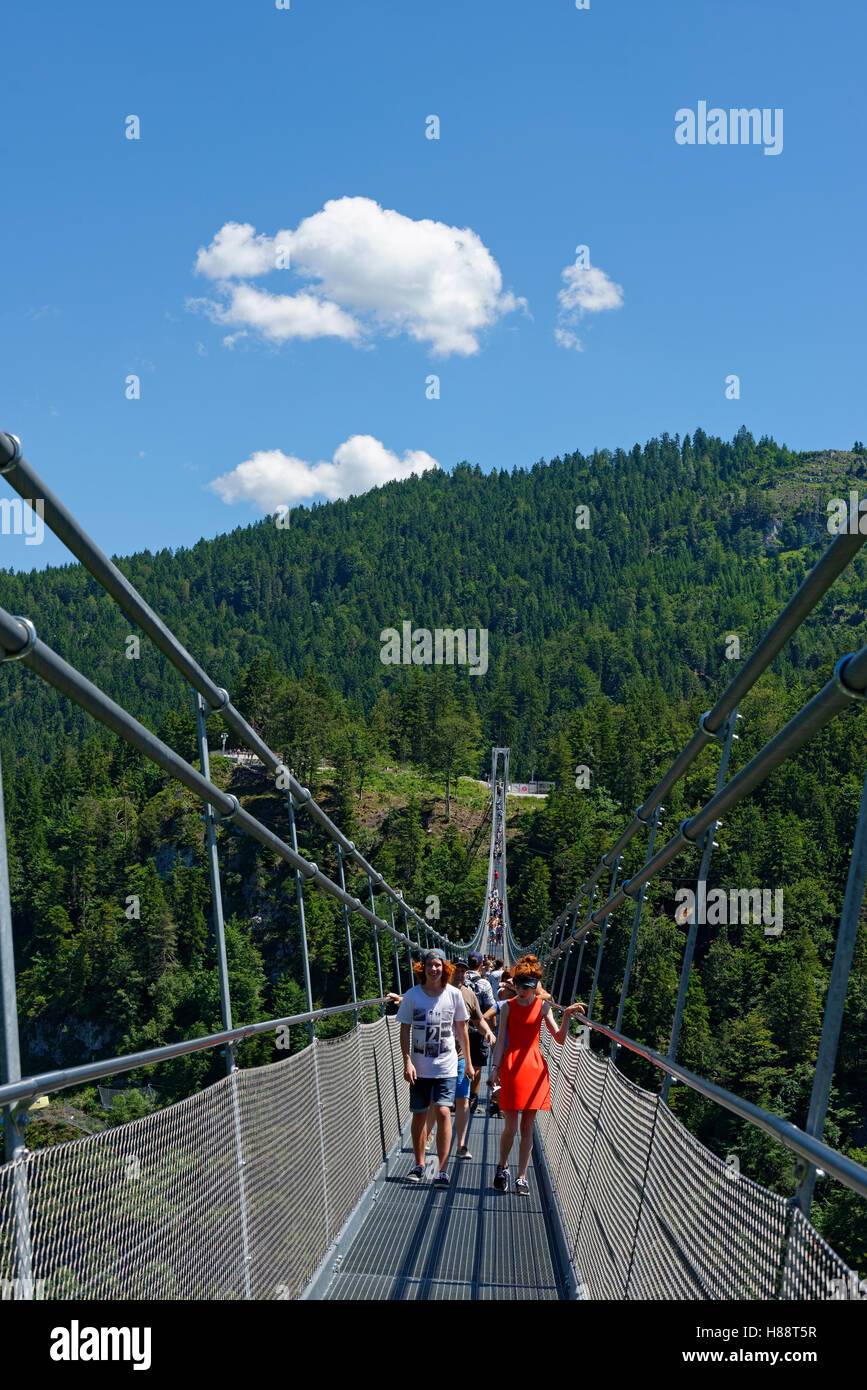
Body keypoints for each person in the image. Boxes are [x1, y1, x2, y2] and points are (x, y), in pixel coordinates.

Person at [489, 955, 585, 1196]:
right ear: (514, 985)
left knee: (527, 1128)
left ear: (534, 987)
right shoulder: (507, 1007)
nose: (522, 991)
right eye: (519, 986)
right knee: (510, 1127)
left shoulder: (542, 1007)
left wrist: (566, 1016)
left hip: (534, 1069)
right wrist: (494, 1068)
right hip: (511, 1067)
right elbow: (501, 1041)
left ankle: (522, 1176)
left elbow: (560, 1039)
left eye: (527, 987)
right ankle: (502, 1166)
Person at [396, 950, 473, 1186]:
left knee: (442, 1112)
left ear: (444, 968)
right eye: (430, 965)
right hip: (419, 1067)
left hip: (446, 1066)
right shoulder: (412, 996)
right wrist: (407, 1061)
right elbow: (405, 1029)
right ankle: (419, 1166)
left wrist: (468, 1062)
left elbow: (461, 1030)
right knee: (419, 1114)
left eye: (438, 965)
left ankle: (441, 1169)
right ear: (423, 968)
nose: (434, 969)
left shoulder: (453, 995)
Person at [450, 958, 497, 1159]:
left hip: (461, 1055)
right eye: (456, 971)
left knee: (462, 1100)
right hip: (439, 1057)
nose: (460, 975)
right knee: (438, 1104)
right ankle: (429, 1136)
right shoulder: (436, 991)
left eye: (463, 971)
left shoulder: (469, 994)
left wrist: (488, 1032)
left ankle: (461, 1145)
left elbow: (478, 1020)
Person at [465, 953, 497, 1111]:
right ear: (480, 966)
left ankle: (459, 1097)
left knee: (459, 1061)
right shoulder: (484, 984)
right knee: (477, 1065)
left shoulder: (457, 982)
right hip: (478, 1029)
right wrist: (493, 1028)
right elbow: (492, 1007)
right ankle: (472, 1099)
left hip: (458, 1028)